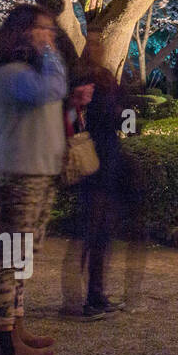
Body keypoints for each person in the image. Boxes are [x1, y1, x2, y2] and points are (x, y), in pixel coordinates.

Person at [0, 4, 67, 355]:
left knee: (22, 259)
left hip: (37, 172)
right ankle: (4, 339)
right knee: (11, 259)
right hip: (22, 175)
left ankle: (16, 327)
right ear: (23, 33)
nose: (50, 36)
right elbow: (52, 89)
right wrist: (49, 53)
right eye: (43, 30)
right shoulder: (11, 73)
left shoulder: (25, 72)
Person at [61, 65, 132, 319]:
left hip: (94, 170)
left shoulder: (84, 87)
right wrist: (127, 108)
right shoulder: (100, 92)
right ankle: (89, 297)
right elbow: (127, 126)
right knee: (96, 235)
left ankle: (89, 295)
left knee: (93, 235)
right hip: (101, 171)